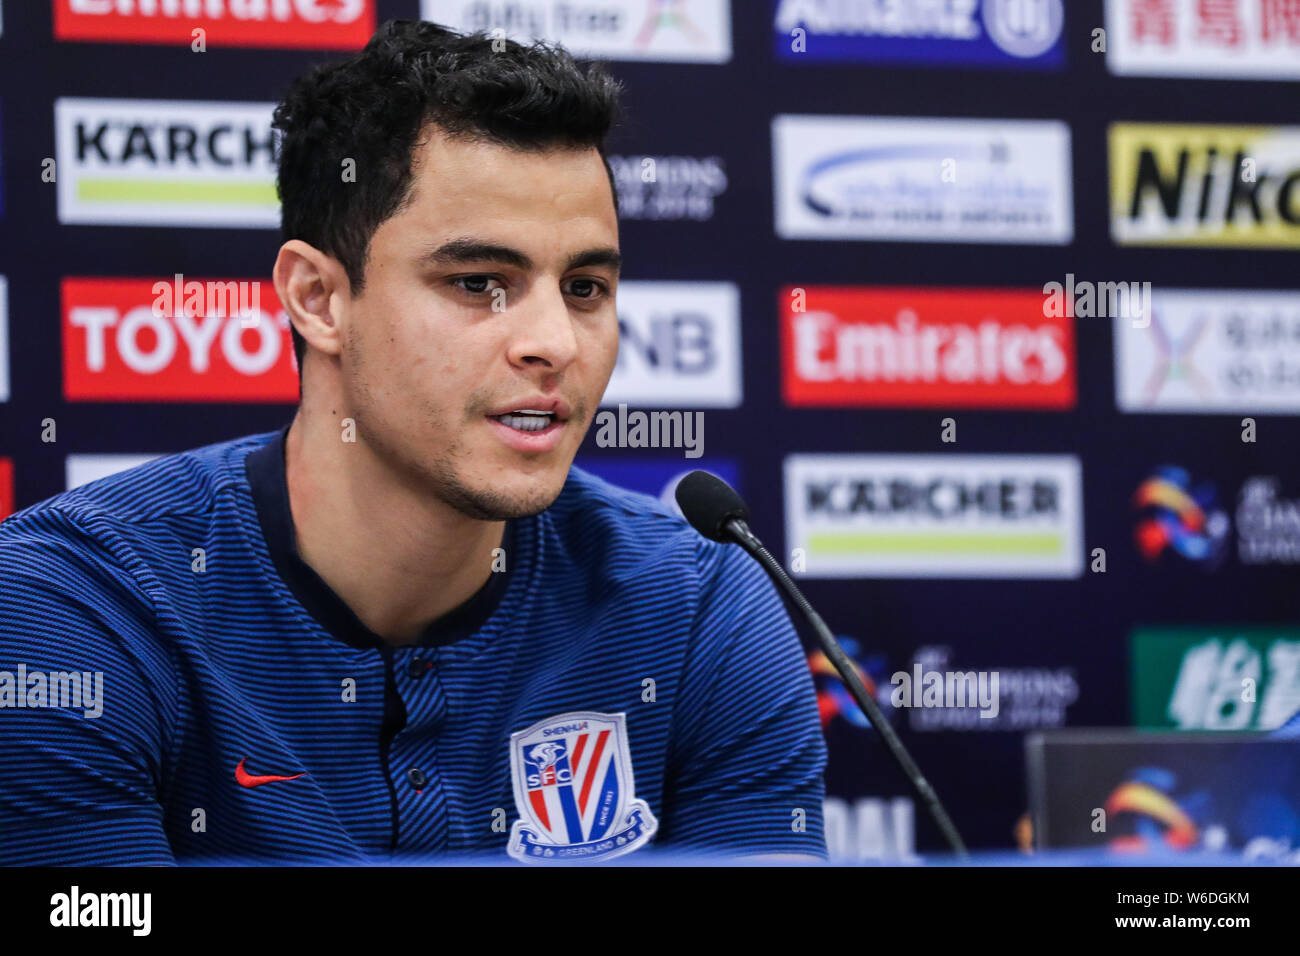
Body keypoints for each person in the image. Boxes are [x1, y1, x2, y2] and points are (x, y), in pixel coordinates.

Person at [0, 19, 826, 865]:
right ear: (319, 299)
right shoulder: (76, 604)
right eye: (479, 283)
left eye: (585, 286)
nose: (556, 342)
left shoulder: (697, 601)